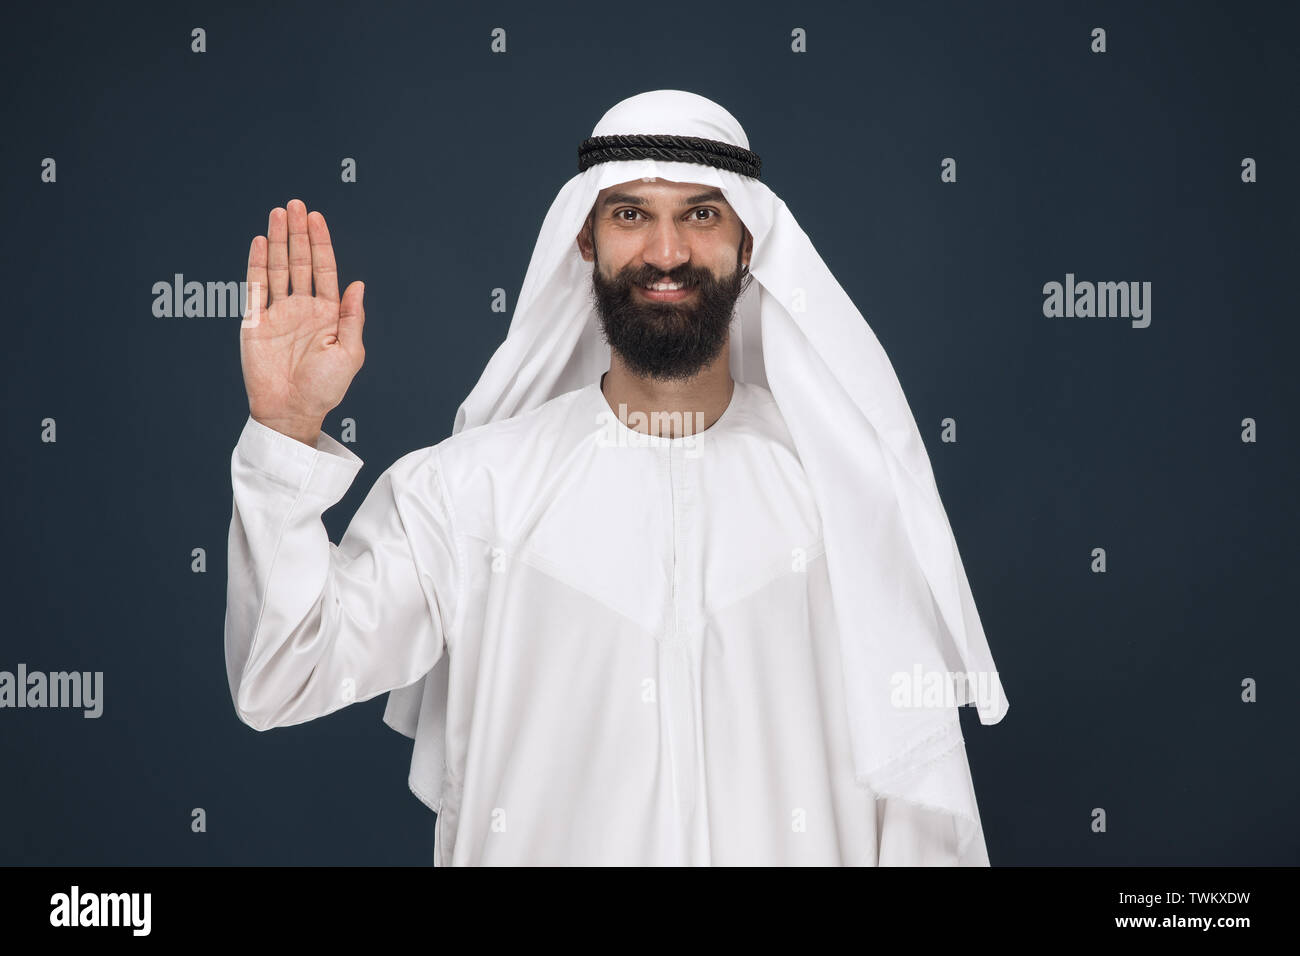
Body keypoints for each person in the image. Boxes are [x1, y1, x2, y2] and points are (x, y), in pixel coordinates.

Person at [225, 90, 1009, 866]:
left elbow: (919, 816)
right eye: (630, 214)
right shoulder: (472, 493)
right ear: (585, 242)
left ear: (750, 244)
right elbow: (281, 675)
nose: (665, 252)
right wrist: (286, 431)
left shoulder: (845, 502)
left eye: (701, 214)